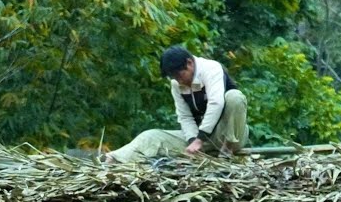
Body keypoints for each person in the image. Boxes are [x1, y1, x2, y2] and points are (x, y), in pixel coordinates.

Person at [105, 46, 249, 164]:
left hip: (228, 135)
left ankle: (226, 151)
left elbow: (216, 103)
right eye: (173, 77)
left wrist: (200, 139)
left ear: (189, 63)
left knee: (234, 97)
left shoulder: (211, 69)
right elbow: (185, 117)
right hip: (203, 141)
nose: (178, 81)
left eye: (179, 76)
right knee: (151, 136)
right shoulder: (176, 84)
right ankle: (114, 159)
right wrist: (193, 142)